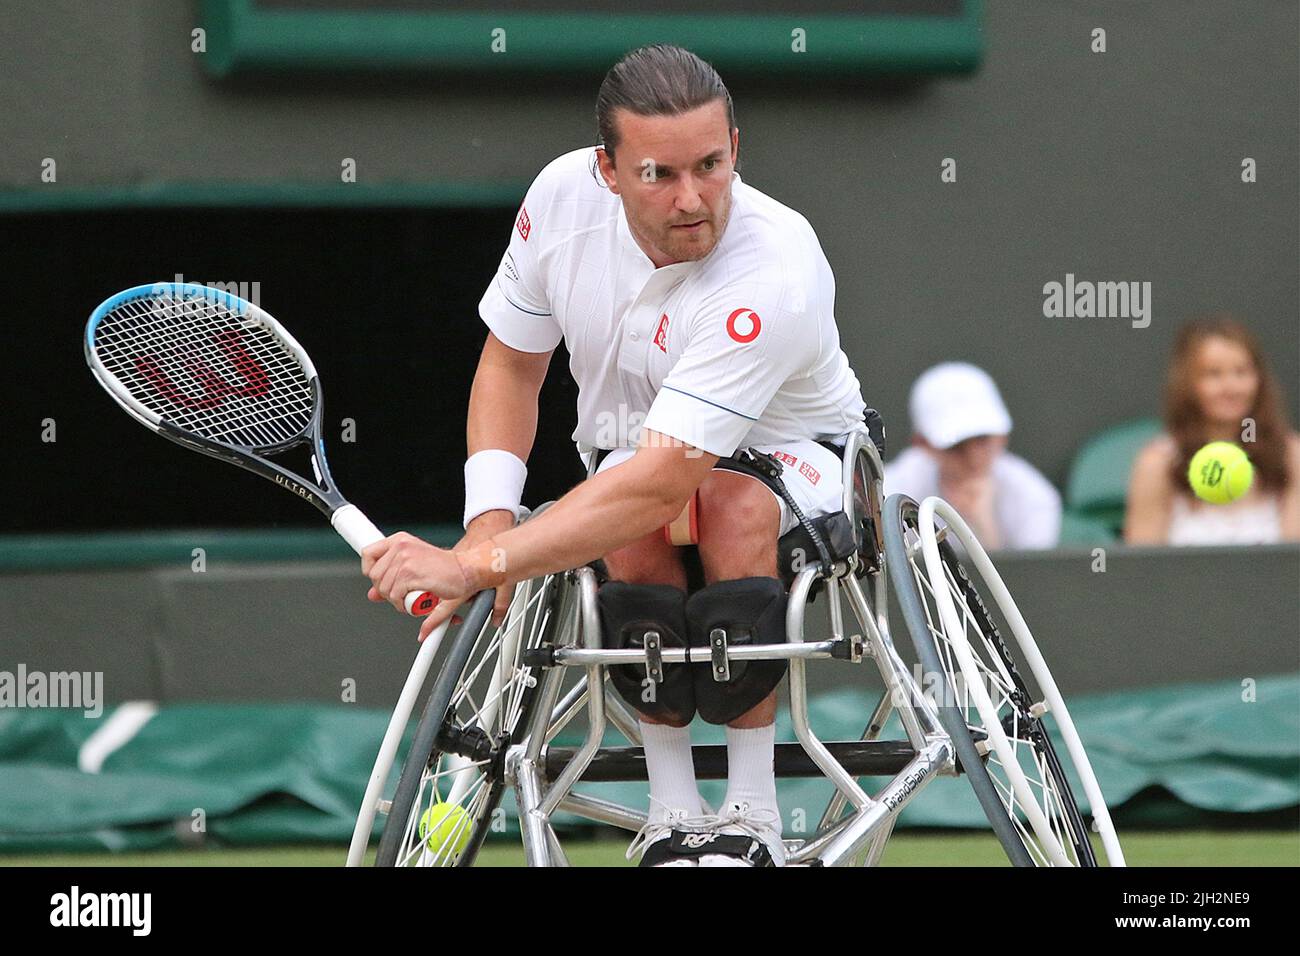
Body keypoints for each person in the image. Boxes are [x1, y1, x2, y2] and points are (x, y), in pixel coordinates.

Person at [360, 44, 867, 866]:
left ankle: (753, 814)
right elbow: (512, 363)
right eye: (659, 175)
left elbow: (664, 484)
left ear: (735, 146)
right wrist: (488, 520)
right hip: (634, 464)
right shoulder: (559, 198)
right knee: (628, 522)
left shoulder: (772, 266)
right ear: (607, 169)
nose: (693, 198)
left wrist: (478, 566)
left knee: (717, 502)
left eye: (710, 165)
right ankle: (672, 815)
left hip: (798, 457)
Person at [1125, 316, 1300, 545]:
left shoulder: (1291, 454)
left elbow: (1291, 565)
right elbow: (1141, 567)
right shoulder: (1157, 463)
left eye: (1241, 372)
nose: (1231, 387)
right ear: (1187, 384)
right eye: (1213, 374)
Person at [884, 362, 1061, 549]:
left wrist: (984, 523)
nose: (973, 459)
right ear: (923, 444)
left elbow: (1031, 575)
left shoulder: (1034, 496)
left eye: (982, 440)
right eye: (956, 446)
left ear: (1002, 437)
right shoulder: (893, 491)